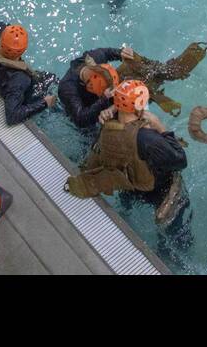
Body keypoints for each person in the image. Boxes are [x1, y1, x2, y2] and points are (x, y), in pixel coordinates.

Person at [65, 80, 190, 239]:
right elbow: (181, 161)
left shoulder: (107, 127)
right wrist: (160, 127)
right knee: (176, 231)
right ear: (139, 106)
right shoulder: (148, 139)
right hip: (158, 191)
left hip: (128, 186)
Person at [59, 47, 134, 130]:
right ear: (90, 87)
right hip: (82, 107)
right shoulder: (68, 89)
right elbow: (80, 120)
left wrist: (120, 53)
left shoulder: (95, 57)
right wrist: (104, 99)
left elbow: (107, 52)